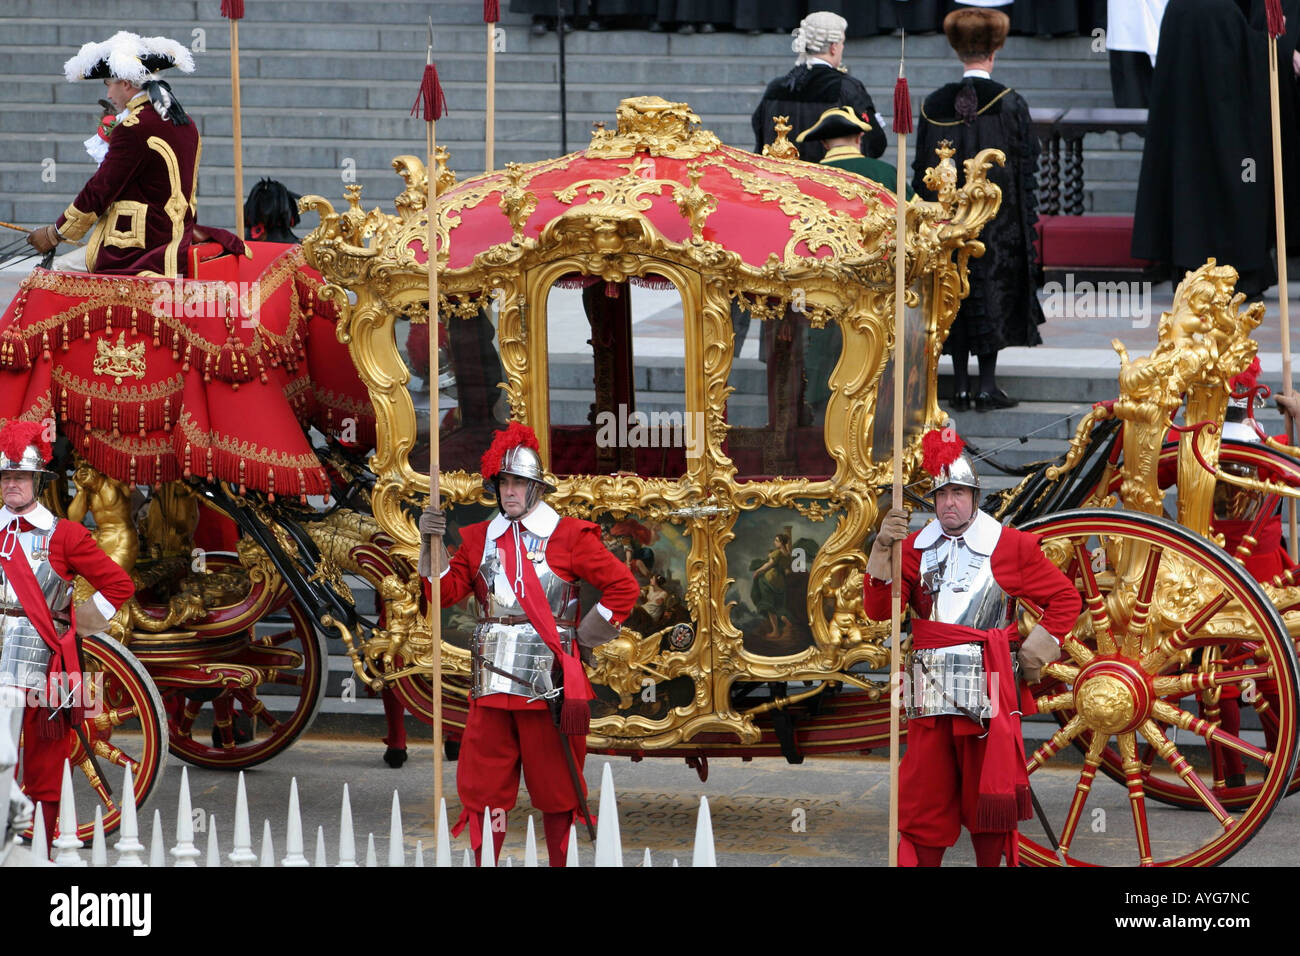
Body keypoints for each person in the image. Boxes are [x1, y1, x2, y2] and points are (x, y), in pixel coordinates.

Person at [418, 422, 639, 866]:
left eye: (519, 483)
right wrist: (432, 543)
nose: (510, 491)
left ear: (536, 488)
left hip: (549, 687)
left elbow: (624, 589)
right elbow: (440, 593)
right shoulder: (479, 539)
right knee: (486, 790)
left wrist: (583, 642)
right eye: (504, 482)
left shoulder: (571, 536)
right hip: (492, 684)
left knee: (557, 789)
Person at [863, 429, 1081, 866]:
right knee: (925, 796)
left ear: (975, 496)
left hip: (990, 687)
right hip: (928, 689)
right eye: (942, 494)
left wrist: (1034, 649)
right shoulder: (913, 548)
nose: (949, 503)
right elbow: (878, 611)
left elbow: (1065, 599)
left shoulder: (1011, 545)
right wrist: (883, 546)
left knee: (988, 798)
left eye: (959, 492)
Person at [0, 421, 134, 857]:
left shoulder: (66, 535)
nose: (12, 484)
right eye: (6, 476)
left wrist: (76, 625)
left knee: (42, 762)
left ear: (37, 481)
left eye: (20, 476)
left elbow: (118, 586)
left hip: (42, 659)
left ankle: (37, 849)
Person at [912, 7, 1045, 411]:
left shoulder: (934, 104)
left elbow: (921, 171)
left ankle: (963, 384)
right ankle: (986, 383)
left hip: (947, 221)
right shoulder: (1010, 103)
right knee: (989, 291)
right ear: (994, 51)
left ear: (958, 51)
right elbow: (1026, 165)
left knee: (951, 291)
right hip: (997, 223)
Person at [1131, 0, 1300, 298]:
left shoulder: (1177, 8)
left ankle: (1188, 275)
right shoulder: (1220, 10)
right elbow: (1250, 60)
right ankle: (1236, 278)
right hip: (1222, 135)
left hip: (1185, 132)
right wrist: (1274, 43)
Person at [26, 31, 200, 277]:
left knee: (51, 273)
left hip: (140, 247)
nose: (108, 94)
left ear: (126, 83)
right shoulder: (186, 123)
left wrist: (55, 233)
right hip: (175, 236)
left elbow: (101, 190)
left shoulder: (134, 128)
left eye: (109, 84)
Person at [752, 11, 888, 163]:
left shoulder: (774, 88)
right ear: (834, 47)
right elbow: (875, 143)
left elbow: (760, 143)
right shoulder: (846, 88)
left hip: (781, 182)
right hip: (828, 183)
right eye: (842, 43)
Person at [798, 105, 914, 196]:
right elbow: (916, 213)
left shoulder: (808, 176)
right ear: (860, 137)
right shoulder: (886, 172)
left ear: (824, 143)